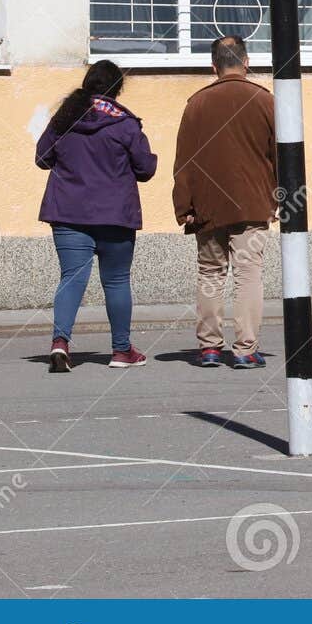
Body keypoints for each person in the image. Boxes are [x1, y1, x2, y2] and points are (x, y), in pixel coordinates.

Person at [34, 61, 157, 372]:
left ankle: (60, 343)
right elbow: (146, 169)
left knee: (71, 279)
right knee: (116, 282)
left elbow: (41, 158)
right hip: (115, 216)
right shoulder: (125, 124)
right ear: (117, 89)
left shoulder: (64, 118)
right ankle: (120, 351)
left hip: (68, 213)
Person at [173, 35, 277, 369]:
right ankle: (246, 349)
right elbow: (283, 154)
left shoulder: (196, 104)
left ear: (214, 66)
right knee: (248, 275)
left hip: (208, 205)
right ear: (246, 62)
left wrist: (183, 206)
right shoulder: (265, 101)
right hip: (253, 202)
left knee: (210, 273)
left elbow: (184, 160)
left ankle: (210, 348)